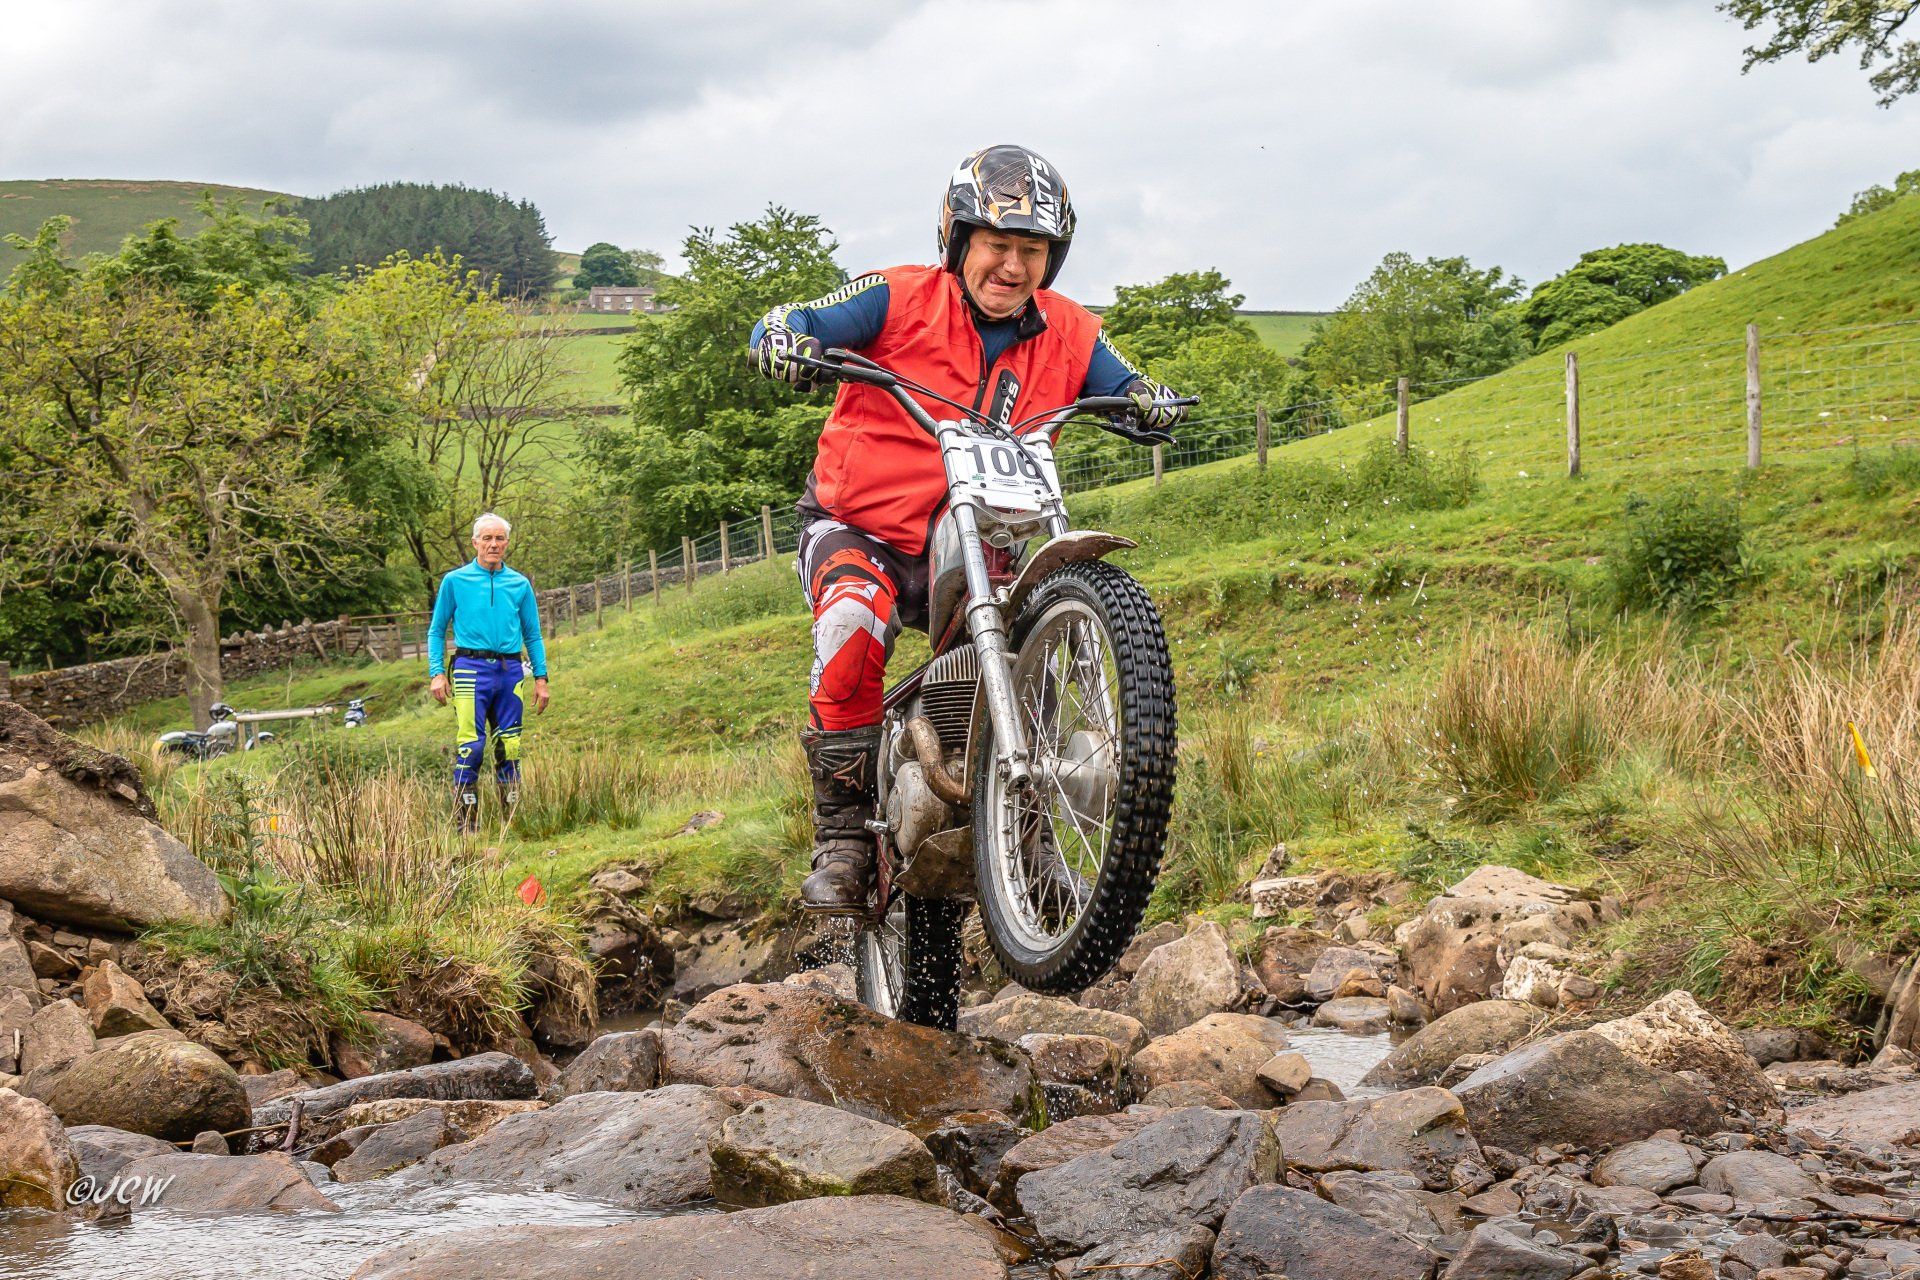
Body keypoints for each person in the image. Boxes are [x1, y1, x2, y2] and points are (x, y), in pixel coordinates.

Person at [748, 144, 1191, 912]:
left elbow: (1124, 384)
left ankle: (1027, 843)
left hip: (980, 541)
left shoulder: (1072, 331)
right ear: (958, 242)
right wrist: (783, 337)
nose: (1013, 266)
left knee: (1029, 654)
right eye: (997, 246)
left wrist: (1149, 401)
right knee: (853, 617)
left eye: (1031, 251)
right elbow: (798, 317)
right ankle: (845, 838)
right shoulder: (897, 297)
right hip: (862, 528)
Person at [427, 512, 550, 832]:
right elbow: (436, 630)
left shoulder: (520, 584)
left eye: (499, 538)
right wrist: (437, 673)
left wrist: (541, 678)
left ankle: (512, 821)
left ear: (507, 543)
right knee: (472, 745)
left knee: (510, 745)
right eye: (487, 538)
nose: (493, 544)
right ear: (475, 543)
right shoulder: (455, 581)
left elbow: (533, 635)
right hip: (470, 669)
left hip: (510, 672)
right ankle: (466, 826)